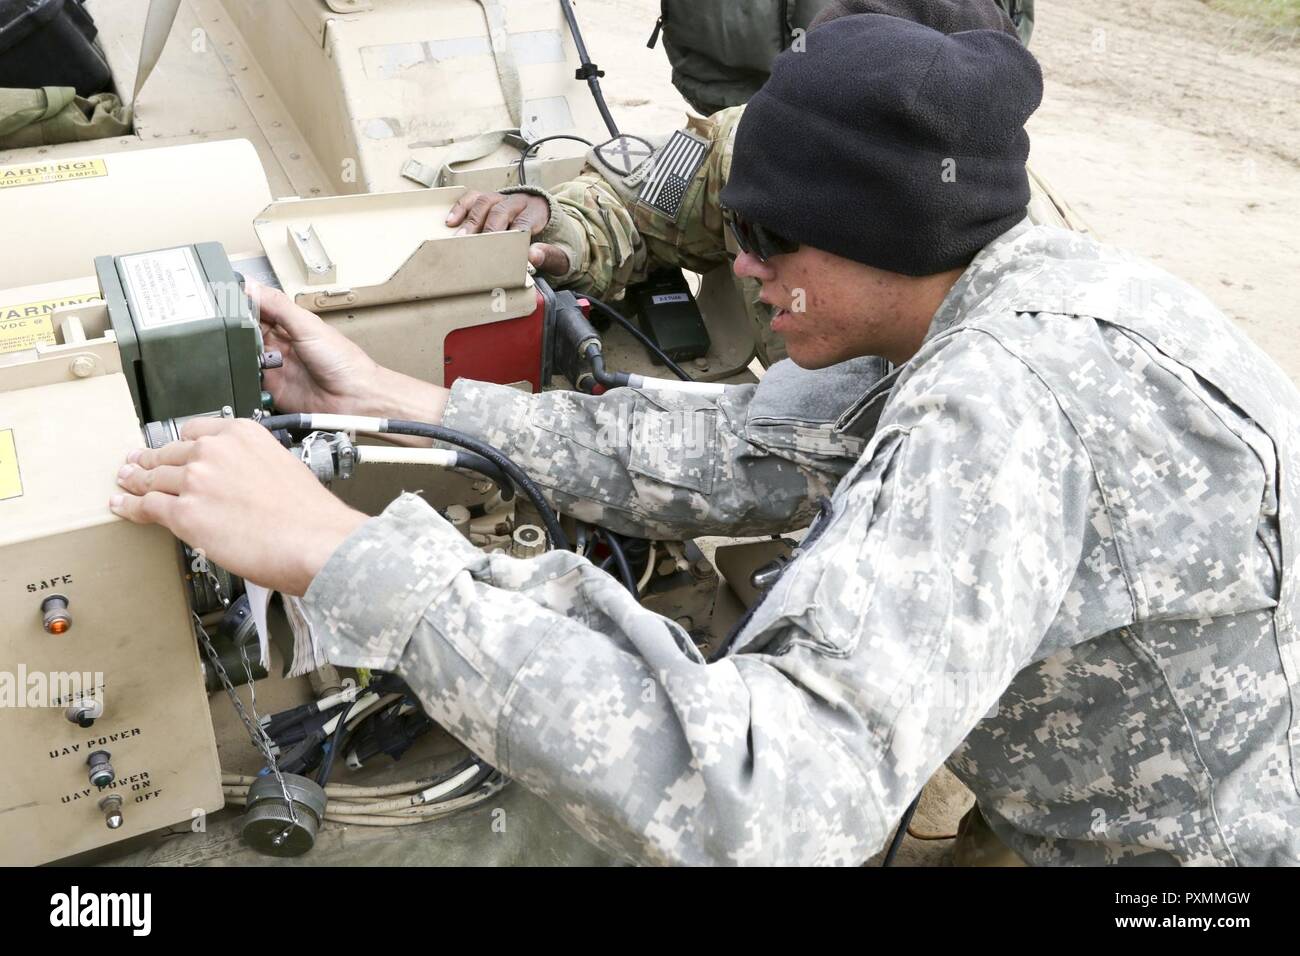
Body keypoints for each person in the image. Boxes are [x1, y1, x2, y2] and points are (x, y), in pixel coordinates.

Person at [110, 15, 1300, 865]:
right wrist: (410, 401)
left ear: (882, 234)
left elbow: (772, 806)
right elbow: (741, 444)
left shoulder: (1007, 401)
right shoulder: (993, 290)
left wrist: (340, 554)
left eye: (770, 237)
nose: (737, 266)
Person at [446, 0, 1079, 365]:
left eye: (773, 235)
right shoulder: (751, 138)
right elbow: (636, 205)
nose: (747, 263)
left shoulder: (1022, 276)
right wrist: (554, 226)